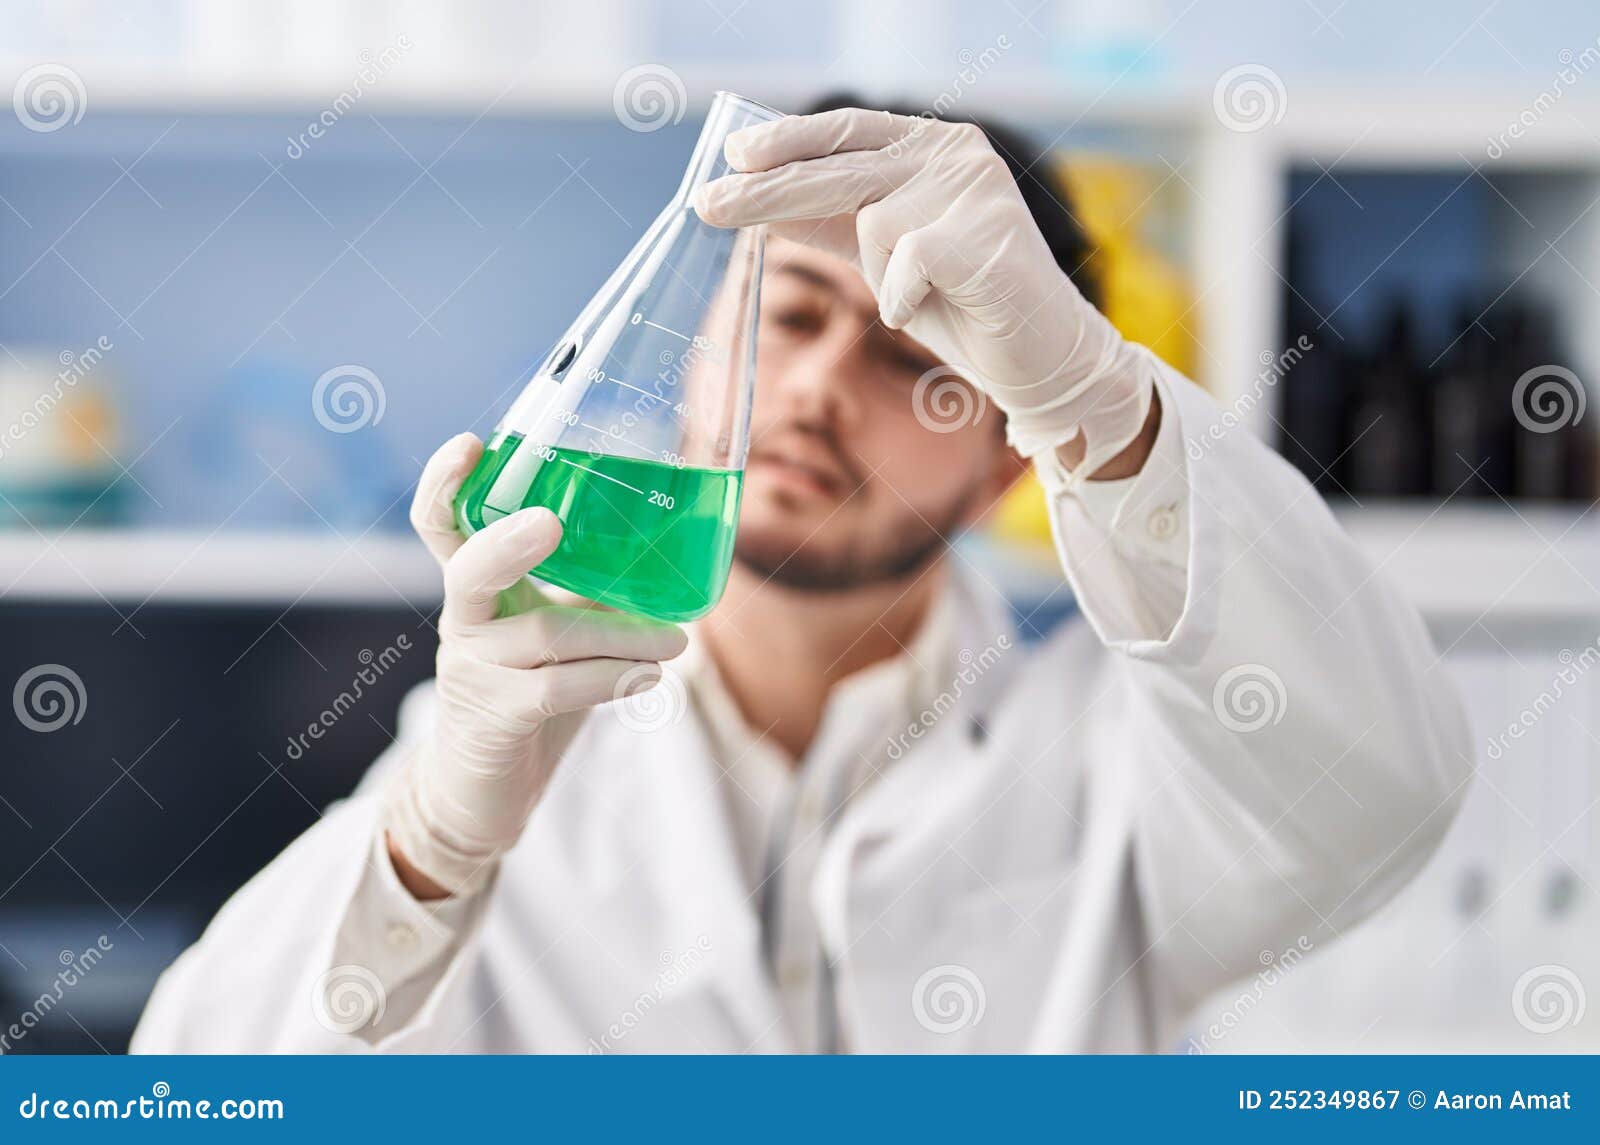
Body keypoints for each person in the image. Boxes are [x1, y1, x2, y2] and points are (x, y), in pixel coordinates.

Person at [133, 102, 1470, 1053]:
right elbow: (202, 1082)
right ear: (700, 354)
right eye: (792, 317)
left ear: (1007, 466)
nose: (826, 386)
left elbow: (1387, 780)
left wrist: (1093, 389)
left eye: (913, 363)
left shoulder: (1116, 757)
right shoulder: (508, 747)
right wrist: (434, 846)